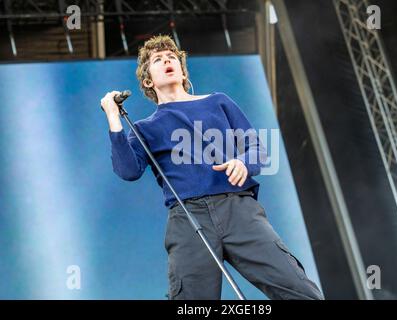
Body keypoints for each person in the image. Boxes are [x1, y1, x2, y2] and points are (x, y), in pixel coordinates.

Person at [100, 35, 324, 300]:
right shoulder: (145, 128)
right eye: (157, 60)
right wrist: (114, 118)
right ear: (148, 80)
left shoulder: (218, 102)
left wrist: (243, 162)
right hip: (188, 217)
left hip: (238, 210)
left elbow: (258, 150)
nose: (167, 60)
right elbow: (128, 171)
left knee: (298, 290)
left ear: (183, 71)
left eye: (171, 57)